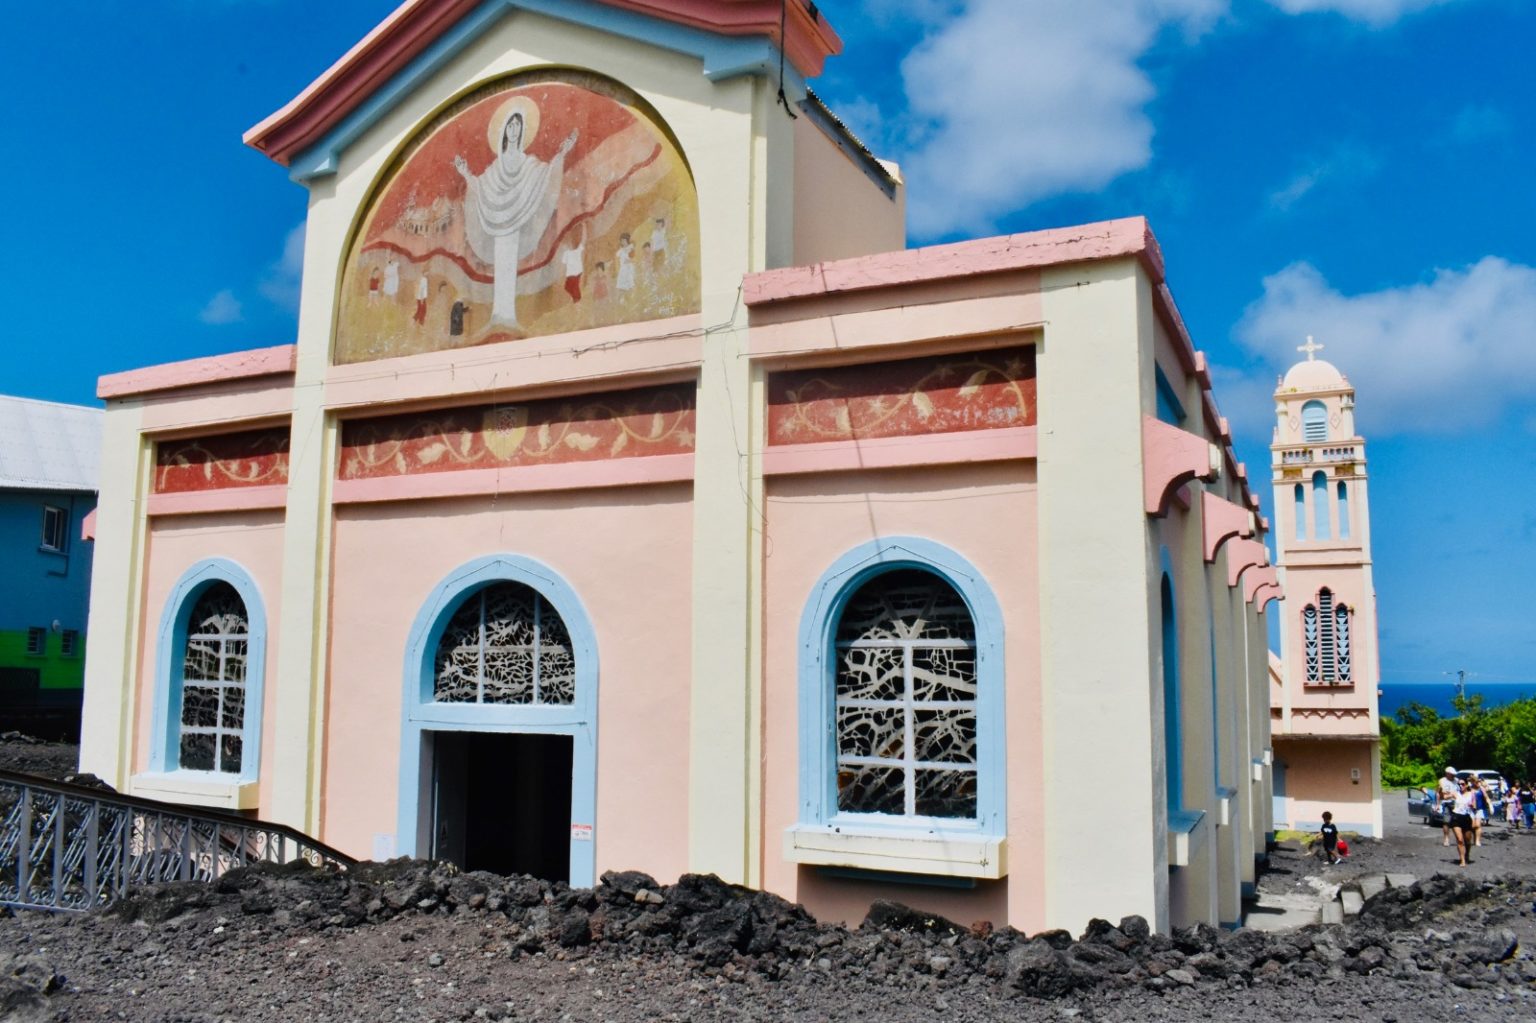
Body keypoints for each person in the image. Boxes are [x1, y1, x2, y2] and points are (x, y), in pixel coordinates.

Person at [454, 106, 577, 326]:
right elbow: (482, 187)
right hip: (499, 226)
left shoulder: (527, 162)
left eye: (517, 125)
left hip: (515, 225)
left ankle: (509, 315)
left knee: (509, 270)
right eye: (510, 125)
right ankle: (497, 315)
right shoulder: (496, 165)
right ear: (503, 131)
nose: (513, 129)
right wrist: (465, 173)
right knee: (502, 269)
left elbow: (544, 175)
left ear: (522, 130)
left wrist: (562, 154)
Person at [1450, 778, 1476, 866]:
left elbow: (1474, 805)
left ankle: (1467, 854)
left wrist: (1472, 805)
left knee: (1468, 840)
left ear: (1467, 785)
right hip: (1456, 817)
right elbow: (1444, 796)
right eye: (1459, 784)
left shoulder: (1471, 794)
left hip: (1467, 817)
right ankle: (1462, 860)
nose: (1461, 786)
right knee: (1460, 840)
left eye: (1463, 784)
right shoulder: (1455, 793)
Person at [1437, 766, 1459, 847]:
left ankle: (1458, 838)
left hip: (1457, 803)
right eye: (1452, 774)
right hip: (1447, 802)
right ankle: (1446, 838)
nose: (1453, 776)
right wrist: (1438, 804)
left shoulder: (1456, 781)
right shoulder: (1442, 781)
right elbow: (1442, 793)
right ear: (1447, 774)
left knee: (1458, 821)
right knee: (1446, 821)